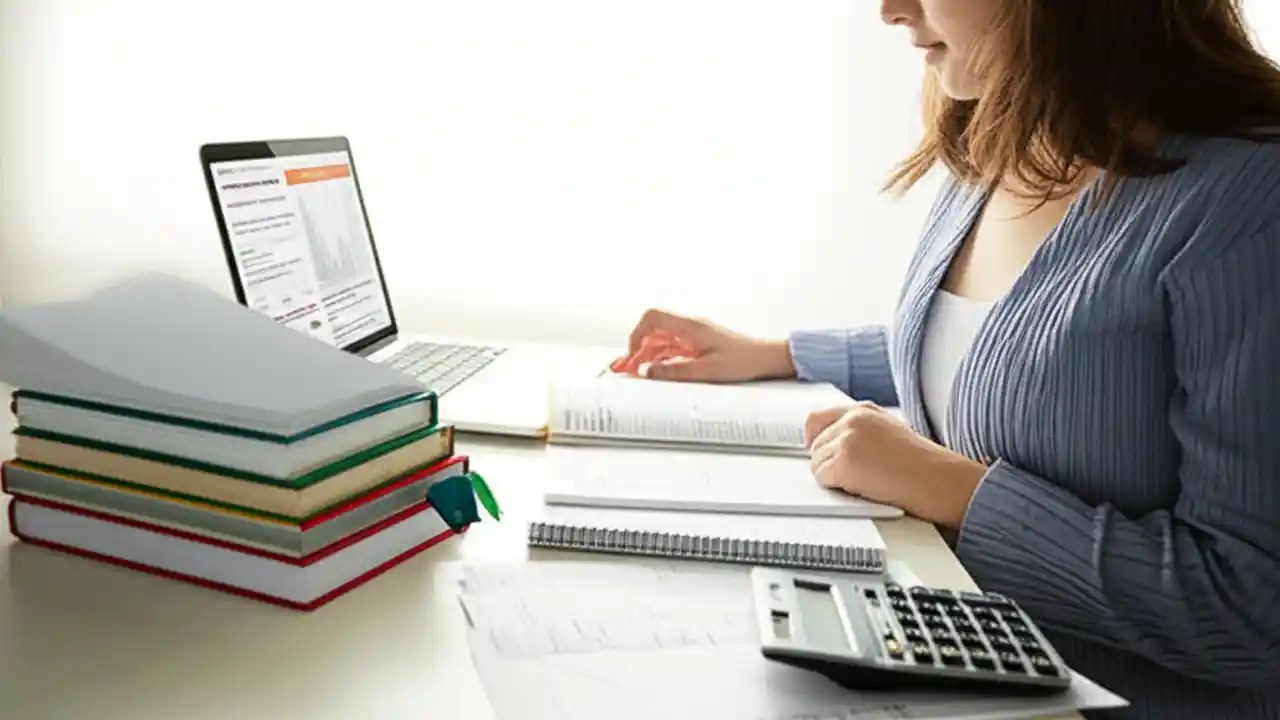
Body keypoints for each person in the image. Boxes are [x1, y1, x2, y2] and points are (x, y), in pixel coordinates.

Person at [610, 1, 1280, 717]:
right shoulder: (1002, 137)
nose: (889, 9)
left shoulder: (1250, 201)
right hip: (954, 676)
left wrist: (956, 491)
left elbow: (1249, 612)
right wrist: (775, 353)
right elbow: (1012, 356)